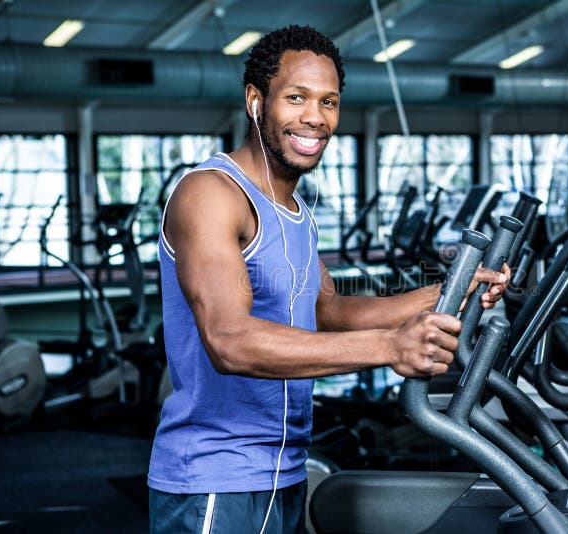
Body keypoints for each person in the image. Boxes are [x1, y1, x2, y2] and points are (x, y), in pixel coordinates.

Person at [147, 25, 510, 534]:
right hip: (215, 475)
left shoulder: (294, 209)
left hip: (285, 469)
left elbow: (329, 312)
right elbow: (229, 340)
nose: (315, 118)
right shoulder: (211, 193)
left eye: (329, 102)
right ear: (256, 101)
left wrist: (449, 290)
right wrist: (390, 347)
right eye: (296, 98)